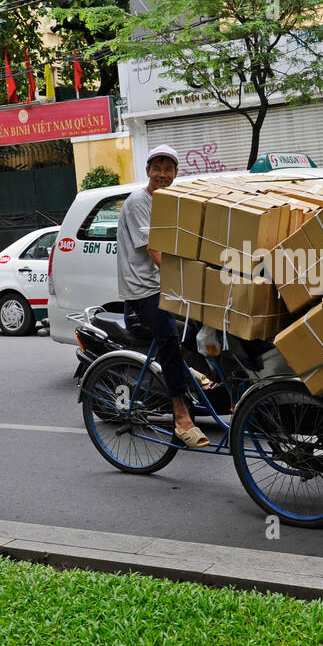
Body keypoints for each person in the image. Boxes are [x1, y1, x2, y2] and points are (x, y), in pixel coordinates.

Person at [116, 145, 210, 448]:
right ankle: (182, 418)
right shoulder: (138, 203)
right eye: (157, 168)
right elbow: (155, 250)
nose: (163, 175)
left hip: (163, 283)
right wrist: (187, 277)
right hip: (143, 288)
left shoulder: (171, 202)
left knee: (199, 321)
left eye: (169, 169)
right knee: (169, 339)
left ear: (176, 173)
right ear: (147, 171)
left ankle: (188, 369)